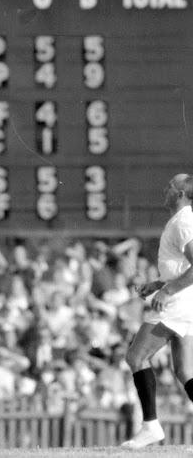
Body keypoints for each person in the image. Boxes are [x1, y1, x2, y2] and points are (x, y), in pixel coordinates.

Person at [118, 174, 193, 449]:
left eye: (171, 186)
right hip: (187, 303)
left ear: (181, 194)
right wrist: (157, 284)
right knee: (185, 372)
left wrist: (167, 292)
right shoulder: (181, 221)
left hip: (178, 304)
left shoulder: (184, 222)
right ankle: (150, 426)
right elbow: (180, 269)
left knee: (136, 357)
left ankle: (150, 426)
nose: (166, 188)